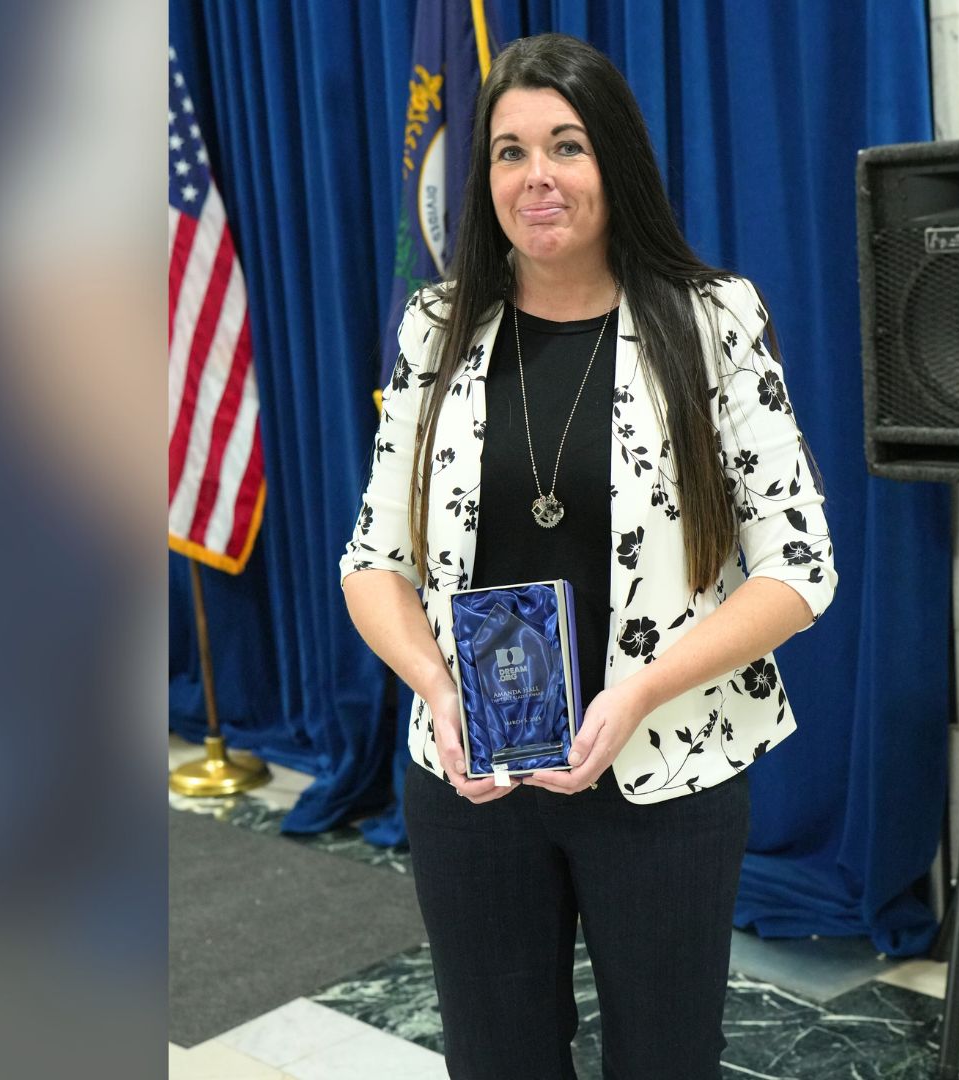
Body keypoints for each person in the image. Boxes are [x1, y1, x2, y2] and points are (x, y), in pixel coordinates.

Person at [338, 33, 836, 1080]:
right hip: (474, 775)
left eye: (566, 145)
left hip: (663, 767)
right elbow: (371, 558)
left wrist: (639, 690)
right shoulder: (437, 329)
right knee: (496, 1058)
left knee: (664, 1059)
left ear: (615, 159)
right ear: (484, 179)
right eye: (509, 152)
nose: (537, 177)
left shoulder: (713, 321)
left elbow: (801, 566)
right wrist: (437, 688)